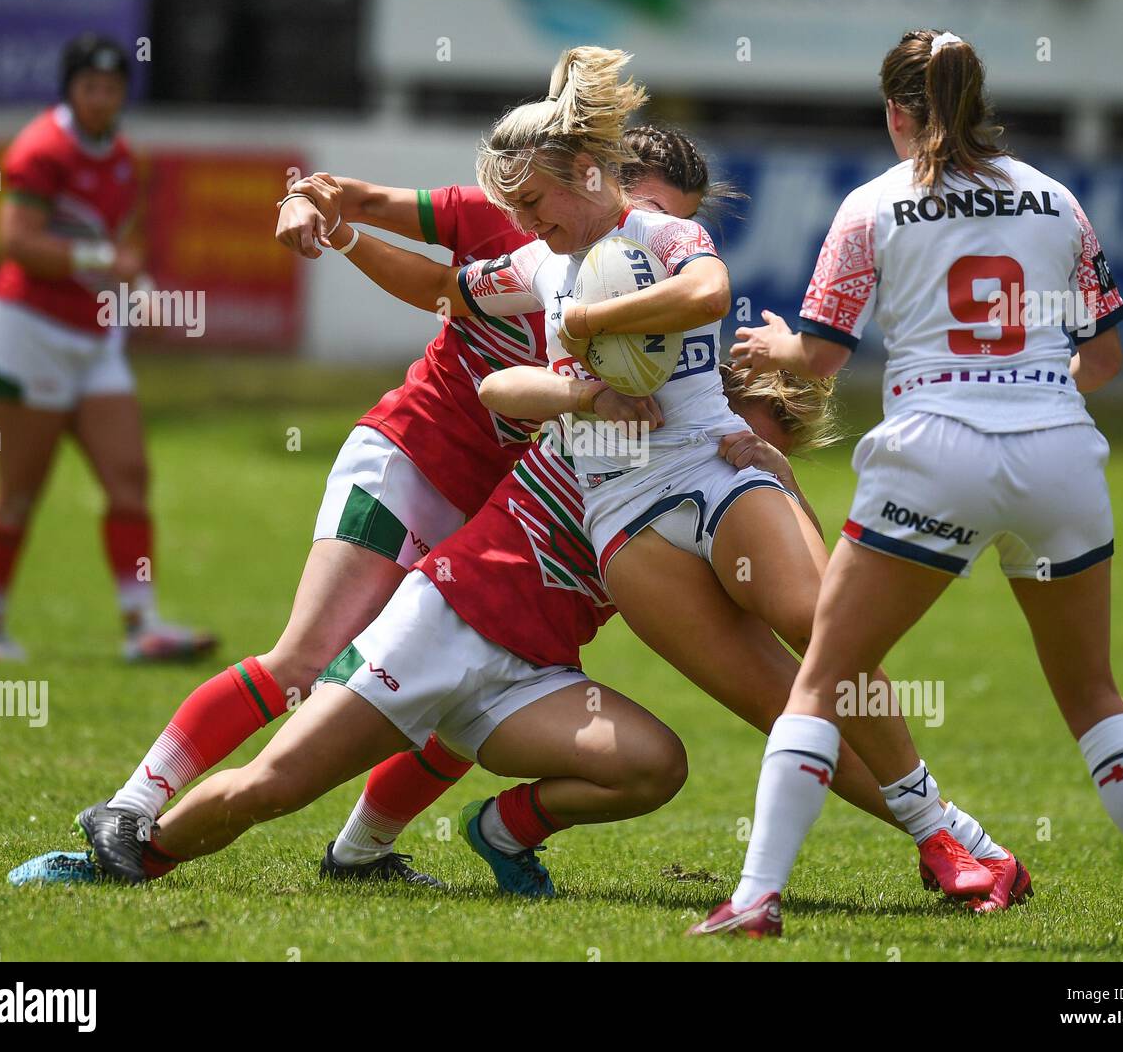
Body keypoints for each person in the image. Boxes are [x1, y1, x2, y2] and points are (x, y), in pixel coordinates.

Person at [317, 44, 1024, 907]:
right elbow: (445, 289)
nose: (539, 218)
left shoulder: (658, 240)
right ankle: (945, 839)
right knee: (779, 705)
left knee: (829, 638)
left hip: (708, 474)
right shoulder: (541, 248)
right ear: (602, 175)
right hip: (620, 519)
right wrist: (346, 230)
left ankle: (952, 842)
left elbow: (705, 299)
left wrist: (594, 328)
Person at [73, 122, 726, 886]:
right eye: (649, 206)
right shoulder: (516, 222)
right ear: (598, 179)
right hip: (413, 457)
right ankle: (131, 804)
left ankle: (361, 855)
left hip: (492, 499)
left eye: (677, 221)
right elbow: (393, 242)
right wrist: (313, 210)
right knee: (306, 659)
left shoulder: (652, 293)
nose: (658, 236)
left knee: (467, 690)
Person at [697, 29, 1123, 945]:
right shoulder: (1057, 200)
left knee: (823, 680)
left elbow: (821, 359)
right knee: (1093, 691)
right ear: (978, 102)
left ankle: (755, 898)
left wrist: (772, 346)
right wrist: (1033, 388)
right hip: (1059, 454)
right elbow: (1102, 356)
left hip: (933, 451)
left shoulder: (872, 205)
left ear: (897, 113)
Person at [0, 32, 214, 663]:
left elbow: (121, 253)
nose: (102, 99)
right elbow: (16, 242)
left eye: (111, 88)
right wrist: (102, 259)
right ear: (70, 90)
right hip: (29, 335)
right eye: (89, 87)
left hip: (94, 339)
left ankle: (142, 626)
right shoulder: (41, 149)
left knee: (129, 477)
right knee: (21, 490)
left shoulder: (126, 159)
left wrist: (145, 291)